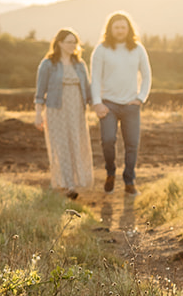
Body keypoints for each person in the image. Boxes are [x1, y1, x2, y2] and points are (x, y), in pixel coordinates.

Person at [90, 11, 151, 194]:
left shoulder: (138, 49)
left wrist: (140, 98)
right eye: (116, 27)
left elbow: (147, 76)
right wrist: (97, 103)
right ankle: (110, 173)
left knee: (132, 144)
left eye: (123, 27)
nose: (120, 30)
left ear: (128, 29)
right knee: (108, 140)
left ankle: (129, 181)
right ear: (110, 29)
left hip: (131, 105)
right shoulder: (101, 49)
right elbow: (95, 79)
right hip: (108, 104)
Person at [34, 28, 94, 198]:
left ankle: (77, 180)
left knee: (76, 143)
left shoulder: (80, 65)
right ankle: (67, 185)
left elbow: (88, 91)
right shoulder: (48, 64)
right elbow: (40, 93)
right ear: (59, 43)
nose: (72, 45)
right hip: (56, 110)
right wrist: (38, 114)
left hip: (77, 111)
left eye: (75, 42)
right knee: (61, 146)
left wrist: (97, 106)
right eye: (69, 42)